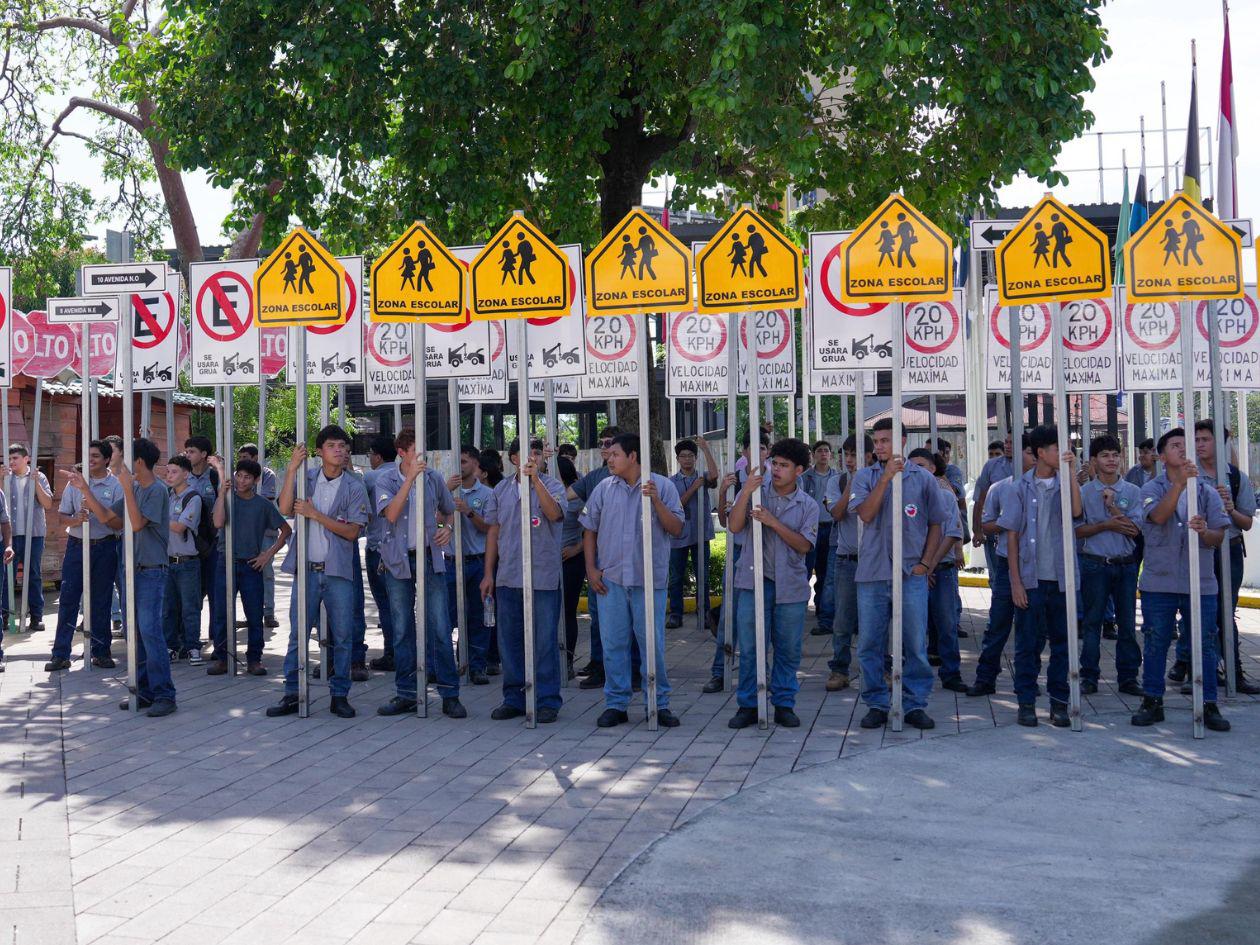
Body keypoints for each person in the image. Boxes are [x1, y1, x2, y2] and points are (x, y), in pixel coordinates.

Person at [850, 418, 953, 731]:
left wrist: (927, 563)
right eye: (876, 441)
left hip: (911, 572)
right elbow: (866, 514)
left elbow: (938, 522)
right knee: (869, 642)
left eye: (886, 440)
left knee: (914, 643)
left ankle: (914, 703)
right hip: (873, 571)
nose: (880, 446)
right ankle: (877, 702)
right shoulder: (864, 477)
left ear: (903, 441)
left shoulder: (923, 478)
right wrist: (885, 479)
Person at [581, 433, 684, 728]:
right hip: (611, 580)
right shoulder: (603, 488)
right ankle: (616, 703)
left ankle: (659, 702)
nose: (609, 459)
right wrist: (591, 568)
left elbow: (676, 528)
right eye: (608, 454)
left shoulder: (662, 486)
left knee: (652, 644)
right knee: (613, 644)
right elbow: (590, 528)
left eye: (614, 454)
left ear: (633, 456)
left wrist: (656, 502)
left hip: (648, 580)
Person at [1132, 428, 1231, 731]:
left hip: (1200, 582)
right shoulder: (1149, 488)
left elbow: (1218, 536)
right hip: (1159, 582)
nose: (1183, 450)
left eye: (1185, 446)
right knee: (1155, 641)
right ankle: (1152, 700)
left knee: (1205, 644)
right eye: (1175, 446)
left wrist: (1204, 532)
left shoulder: (1207, 492)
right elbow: (1159, 517)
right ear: (1162, 457)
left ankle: (1208, 702)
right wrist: (1178, 484)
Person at [267, 425, 369, 719]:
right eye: (332, 446)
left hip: (338, 572)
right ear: (320, 451)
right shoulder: (307, 478)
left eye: (343, 446)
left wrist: (316, 516)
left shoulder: (354, 486)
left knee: (342, 635)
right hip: (307, 570)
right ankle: (292, 692)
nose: (339, 450)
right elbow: (285, 508)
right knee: (298, 634)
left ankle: (339, 695)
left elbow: (352, 531)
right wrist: (291, 469)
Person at [727, 438, 817, 728]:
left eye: (784, 465)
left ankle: (784, 703)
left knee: (788, 648)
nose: (776, 470)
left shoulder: (808, 505)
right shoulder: (755, 492)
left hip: (790, 585)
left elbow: (804, 546)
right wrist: (746, 493)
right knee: (752, 647)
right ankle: (749, 704)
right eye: (774, 463)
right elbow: (734, 526)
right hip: (754, 582)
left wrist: (773, 522)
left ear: (799, 471)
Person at [374, 429, 464, 719]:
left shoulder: (434, 478)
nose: (422, 456)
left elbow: (448, 511)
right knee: (401, 628)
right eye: (416, 450)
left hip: (429, 557)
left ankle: (450, 693)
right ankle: (406, 693)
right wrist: (410, 478)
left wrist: (447, 529)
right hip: (398, 560)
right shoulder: (386, 479)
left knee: (440, 624)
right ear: (402, 452)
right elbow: (390, 513)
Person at [999, 424, 1082, 728]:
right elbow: (1011, 536)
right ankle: (1026, 702)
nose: (1062, 452)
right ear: (1040, 453)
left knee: (1063, 643)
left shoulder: (1065, 482)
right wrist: (1016, 582)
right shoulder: (1019, 487)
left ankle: (1059, 703)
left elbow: (1075, 511)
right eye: (1055, 447)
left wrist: (1070, 472)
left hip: (1062, 581)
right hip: (1032, 580)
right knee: (1028, 644)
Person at [480, 438, 566, 722]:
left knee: (544, 640)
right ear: (513, 458)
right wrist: (488, 573)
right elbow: (494, 531)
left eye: (538, 454)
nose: (533, 458)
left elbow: (554, 514)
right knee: (509, 640)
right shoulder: (501, 490)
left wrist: (535, 482)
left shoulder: (552, 485)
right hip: (508, 576)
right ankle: (514, 697)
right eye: (527, 454)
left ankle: (547, 699)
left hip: (542, 576)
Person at [1172, 421, 1260, 694]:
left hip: (1229, 549)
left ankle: (1233, 672)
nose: (1199, 445)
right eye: (1196, 439)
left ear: (1219, 444)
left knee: (1226, 611)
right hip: (1199, 550)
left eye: (1205, 439)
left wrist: (1230, 509)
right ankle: (1191, 668)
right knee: (1195, 609)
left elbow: (1246, 523)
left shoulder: (1235, 477)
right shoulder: (1188, 476)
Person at [108, 438, 176, 716]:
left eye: (124, 458)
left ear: (138, 461)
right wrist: (84, 489)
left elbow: (136, 524)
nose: (119, 462)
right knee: (135, 633)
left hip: (151, 571)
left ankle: (165, 694)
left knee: (150, 631)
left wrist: (125, 487)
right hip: (131, 570)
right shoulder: (133, 487)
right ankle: (144, 691)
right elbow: (111, 519)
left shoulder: (156, 490)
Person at [206, 455, 291, 676]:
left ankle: (255, 658)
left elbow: (286, 531)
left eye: (247, 478)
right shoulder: (227, 499)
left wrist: (267, 555)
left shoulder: (262, 504)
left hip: (251, 564)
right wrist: (221, 494)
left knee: (254, 614)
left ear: (255, 481)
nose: (242, 481)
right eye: (239, 476)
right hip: (225, 561)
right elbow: (217, 522)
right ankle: (223, 657)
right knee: (222, 613)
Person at [1075, 435, 1144, 697]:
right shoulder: (1083, 493)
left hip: (1126, 565)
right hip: (1094, 564)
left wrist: (1112, 509)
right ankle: (1089, 676)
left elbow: (1135, 529)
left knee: (1127, 623)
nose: (1112, 460)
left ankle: (1128, 677)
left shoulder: (1133, 491)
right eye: (1105, 455)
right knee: (1092, 622)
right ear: (1093, 461)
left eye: (1115, 454)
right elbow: (1079, 531)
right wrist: (1107, 525)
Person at [967, 436, 1035, 697]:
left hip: (1036, 567)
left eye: (1028, 451)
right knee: (998, 625)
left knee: (1032, 629)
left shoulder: (1049, 487)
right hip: (1007, 563)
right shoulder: (1000, 486)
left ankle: (1027, 681)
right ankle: (986, 678)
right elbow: (986, 522)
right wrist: (1004, 524)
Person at [46, 440, 122, 671]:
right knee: (68, 598)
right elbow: (62, 517)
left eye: (96, 456)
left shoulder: (116, 485)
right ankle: (60, 654)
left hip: (105, 546)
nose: (91, 460)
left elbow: (117, 523)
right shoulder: (74, 484)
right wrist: (75, 520)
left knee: (101, 600)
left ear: (107, 459)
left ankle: (101, 651)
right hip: (77, 546)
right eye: (88, 455)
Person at [704, 431, 770, 694]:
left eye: (763, 447)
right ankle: (720, 671)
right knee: (729, 618)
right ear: (744, 452)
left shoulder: (776, 478)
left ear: (768, 451)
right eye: (752, 447)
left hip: (767, 555)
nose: (758, 452)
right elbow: (724, 521)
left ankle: (763, 675)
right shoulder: (736, 478)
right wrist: (722, 492)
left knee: (765, 620)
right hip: (740, 553)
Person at [910, 450, 966, 693]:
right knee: (914, 627)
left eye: (921, 465)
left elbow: (952, 532)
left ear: (933, 468)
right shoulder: (907, 495)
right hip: (915, 571)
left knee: (946, 623)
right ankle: (914, 677)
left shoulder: (945, 494)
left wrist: (929, 565)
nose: (917, 470)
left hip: (940, 570)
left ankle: (951, 673)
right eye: (912, 466)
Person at [569, 426, 621, 689]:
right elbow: (566, 498)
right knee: (598, 614)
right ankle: (599, 663)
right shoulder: (595, 477)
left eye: (610, 443)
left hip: (622, 558)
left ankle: (627, 671)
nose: (604, 447)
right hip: (598, 557)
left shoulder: (634, 477)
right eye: (601, 442)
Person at [819, 433, 871, 691]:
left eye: (856, 455)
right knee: (842, 620)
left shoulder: (880, 481)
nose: (850, 460)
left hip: (874, 560)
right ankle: (840, 669)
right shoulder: (836, 482)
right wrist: (852, 483)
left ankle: (880, 668)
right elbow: (837, 514)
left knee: (876, 617)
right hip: (846, 558)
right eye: (847, 454)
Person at [445, 445, 495, 684]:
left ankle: (477, 666)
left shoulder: (486, 494)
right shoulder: (446, 490)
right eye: (457, 462)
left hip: (476, 562)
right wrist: (445, 495)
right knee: (447, 615)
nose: (460, 466)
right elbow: (431, 519)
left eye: (464, 461)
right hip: (450, 562)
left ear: (475, 463)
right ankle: (448, 664)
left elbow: (490, 528)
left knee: (478, 617)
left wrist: (468, 512)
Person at [666, 438, 717, 629]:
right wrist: (694, 488)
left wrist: (706, 449)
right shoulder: (671, 482)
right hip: (678, 535)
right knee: (676, 577)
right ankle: (675, 614)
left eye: (690, 456)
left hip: (700, 534)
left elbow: (714, 474)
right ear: (678, 459)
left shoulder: (703, 477)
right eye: (683, 456)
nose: (687, 459)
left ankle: (703, 613)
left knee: (702, 575)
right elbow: (675, 506)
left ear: (695, 458)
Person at [7, 444, 52, 633]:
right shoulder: (6, 478)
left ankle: (36, 617)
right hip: (11, 534)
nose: (11, 462)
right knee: (6, 576)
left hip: (34, 534)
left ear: (26, 459)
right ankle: (5, 615)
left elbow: (48, 503)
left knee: (33, 574)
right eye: (9, 459)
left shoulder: (39, 477)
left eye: (15, 458)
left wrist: (37, 484)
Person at [163, 456, 204, 663]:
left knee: (190, 607)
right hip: (167, 561)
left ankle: (193, 647)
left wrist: (157, 517)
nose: (169, 476)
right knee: (168, 607)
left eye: (174, 472)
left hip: (187, 562)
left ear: (186, 474)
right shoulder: (167, 496)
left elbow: (180, 527)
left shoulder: (192, 497)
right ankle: (171, 646)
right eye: (168, 471)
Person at [184, 436, 221, 653]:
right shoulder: (184, 476)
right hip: (190, 543)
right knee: (191, 595)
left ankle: (218, 641)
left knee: (216, 593)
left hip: (213, 543)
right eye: (186, 451)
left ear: (204, 455)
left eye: (192, 451)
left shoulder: (214, 476)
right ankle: (190, 640)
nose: (188, 455)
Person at [364, 435, 398, 672]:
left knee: (385, 604)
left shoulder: (371, 478)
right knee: (401, 603)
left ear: (377, 455)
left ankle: (391, 653)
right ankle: (404, 651)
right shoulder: (400, 475)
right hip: (400, 548)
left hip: (377, 546)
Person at [238, 443, 281, 629]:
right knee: (246, 574)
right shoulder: (238, 478)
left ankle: (268, 612)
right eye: (240, 458)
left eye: (245, 458)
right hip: (246, 531)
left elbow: (265, 501)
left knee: (266, 572)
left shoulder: (267, 475)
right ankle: (252, 613)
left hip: (265, 531)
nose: (242, 461)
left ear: (255, 458)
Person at [800, 440, 837, 635]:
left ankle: (823, 611)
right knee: (806, 569)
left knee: (826, 572)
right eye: (820, 451)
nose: (823, 454)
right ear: (814, 455)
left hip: (831, 528)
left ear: (831, 455)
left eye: (826, 451)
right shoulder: (805, 478)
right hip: (811, 530)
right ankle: (799, 608)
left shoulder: (837, 477)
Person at [557, 456, 586, 682]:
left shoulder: (578, 496)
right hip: (547, 561)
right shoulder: (542, 490)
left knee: (567, 612)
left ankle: (566, 660)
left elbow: (594, 526)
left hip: (571, 559)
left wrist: (577, 548)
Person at [971, 435, 1013, 575]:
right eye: (1006, 442)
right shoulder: (990, 466)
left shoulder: (1031, 465)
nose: (1008, 446)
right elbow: (979, 501)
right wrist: (977, 530)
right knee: (996, 576)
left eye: (1011, 442)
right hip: (994, 529)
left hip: (1020, 531)